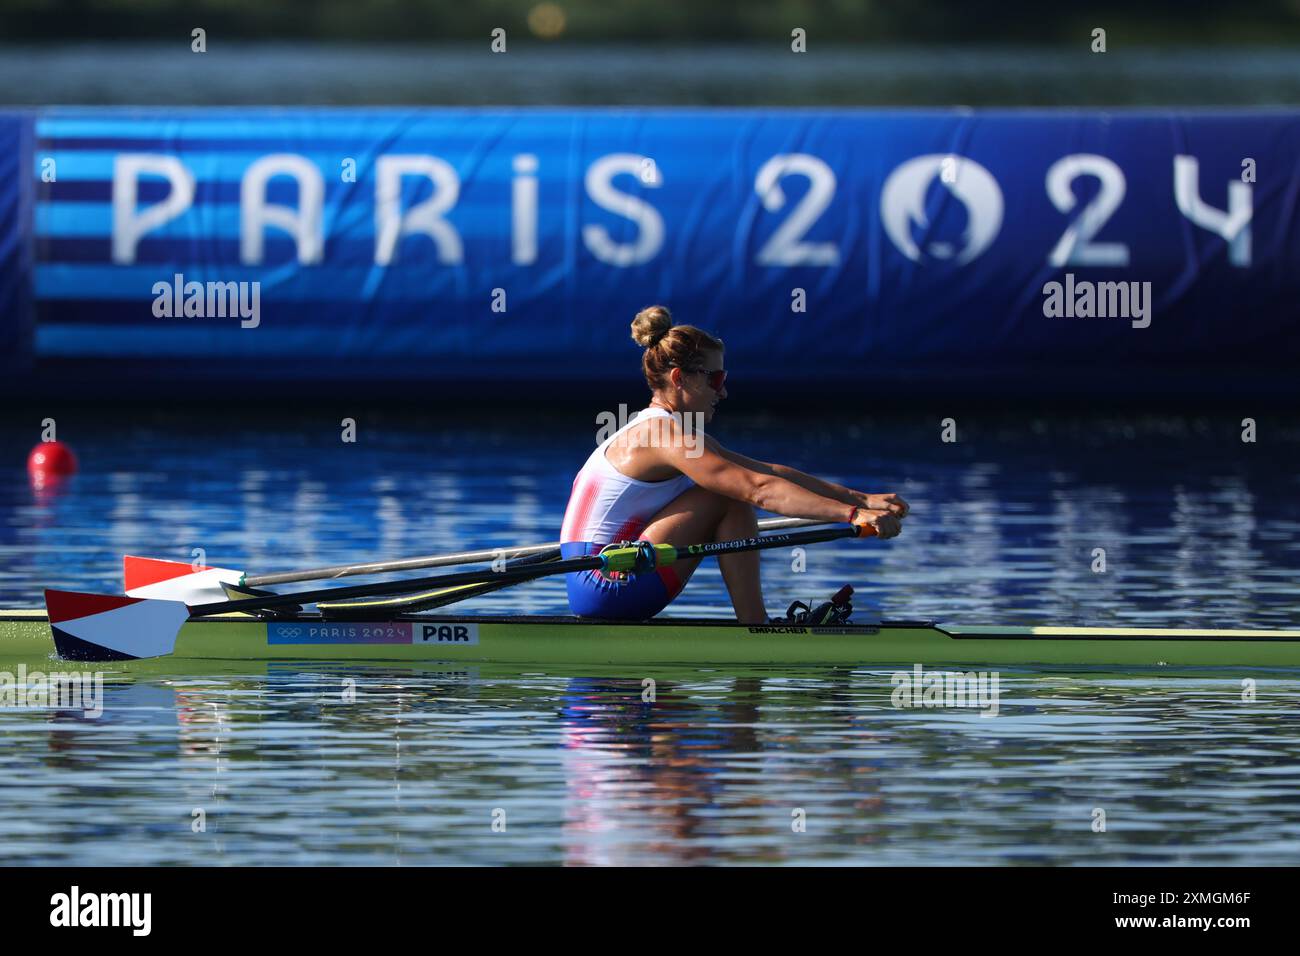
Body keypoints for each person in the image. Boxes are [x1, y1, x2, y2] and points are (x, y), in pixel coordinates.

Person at [559, 305, 907, 623]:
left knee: (732, 487)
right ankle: (756, 628)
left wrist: (859, 499)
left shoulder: (670, 433)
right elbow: (757, 489)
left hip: (613, 575)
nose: (723, 392)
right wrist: (851, 517)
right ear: (680, 378)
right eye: (715, 379)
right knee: (729, 494)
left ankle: (755, 625)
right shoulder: (663, 435)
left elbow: (769, 473)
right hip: (605, 582)